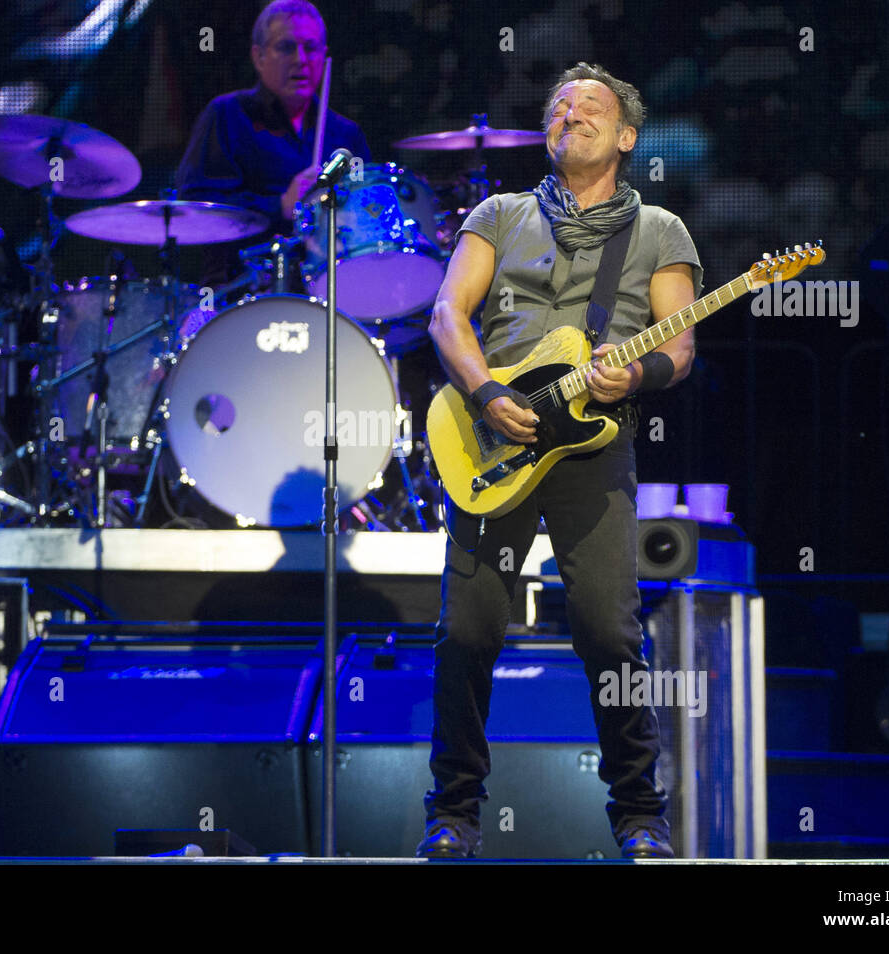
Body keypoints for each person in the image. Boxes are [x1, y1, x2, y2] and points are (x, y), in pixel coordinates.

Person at [418, 63, 702, 860]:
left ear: (625, 138)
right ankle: (454, 815)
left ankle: (641, 816)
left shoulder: (659, 232)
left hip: (592, 448)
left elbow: (680, 349)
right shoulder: (499, 213)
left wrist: (636, 372)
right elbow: (447, 313)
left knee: (610, 635)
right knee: (466, 635)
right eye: (559, 107)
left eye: (592, 108)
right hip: (492, 440)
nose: (571, 112)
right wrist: (480, 393)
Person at [174, 0, 371, 239]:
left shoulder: (346, 134)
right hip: (243, 272)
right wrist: (281, 206)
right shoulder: (227, 115)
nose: (300, 59)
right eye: (286, 47)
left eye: (310, 48)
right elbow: (196, 206)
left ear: (324, 56)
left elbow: (366, 209)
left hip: (328, 272)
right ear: (259, 57)